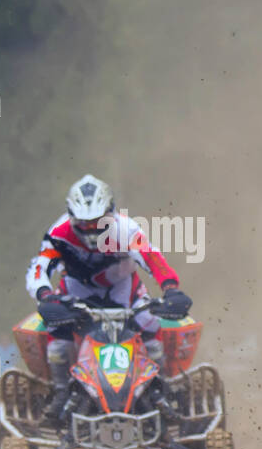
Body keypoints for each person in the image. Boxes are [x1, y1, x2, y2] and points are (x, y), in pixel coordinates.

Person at [26, 174, 191, 424]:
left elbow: (151, 257)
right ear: (72, 217)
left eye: (98, 223)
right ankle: (62, 393)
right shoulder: (58, 233)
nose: (91, 230)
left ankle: (160, 390)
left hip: (124, 292)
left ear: (111, 213)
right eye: (84, 224)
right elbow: (39, 268)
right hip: (76, 294)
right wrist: (45, 296)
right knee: (57, 338)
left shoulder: (126, 229)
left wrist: (170, 288)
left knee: (152, 325)